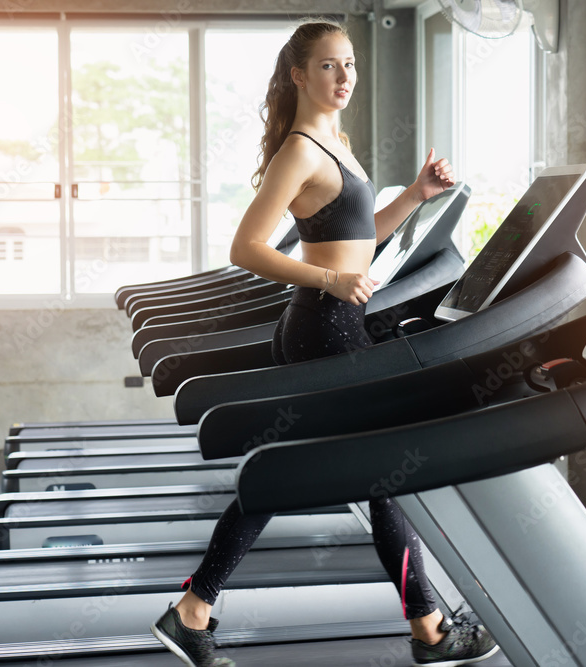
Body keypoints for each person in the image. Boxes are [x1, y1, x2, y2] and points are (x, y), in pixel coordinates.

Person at [151, 20, 499, 667]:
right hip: (324, 324)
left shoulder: (335, 142)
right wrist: (331, 279)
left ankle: (194, 609)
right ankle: (429, 630)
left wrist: (416, 196)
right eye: (329, 66)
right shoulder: (301, 150)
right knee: (385, 471)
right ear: (299, 75)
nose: (344, 77)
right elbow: (245, 247)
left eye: (350, 64)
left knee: (302, 471)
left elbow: (359, 236)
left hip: (330, 320)